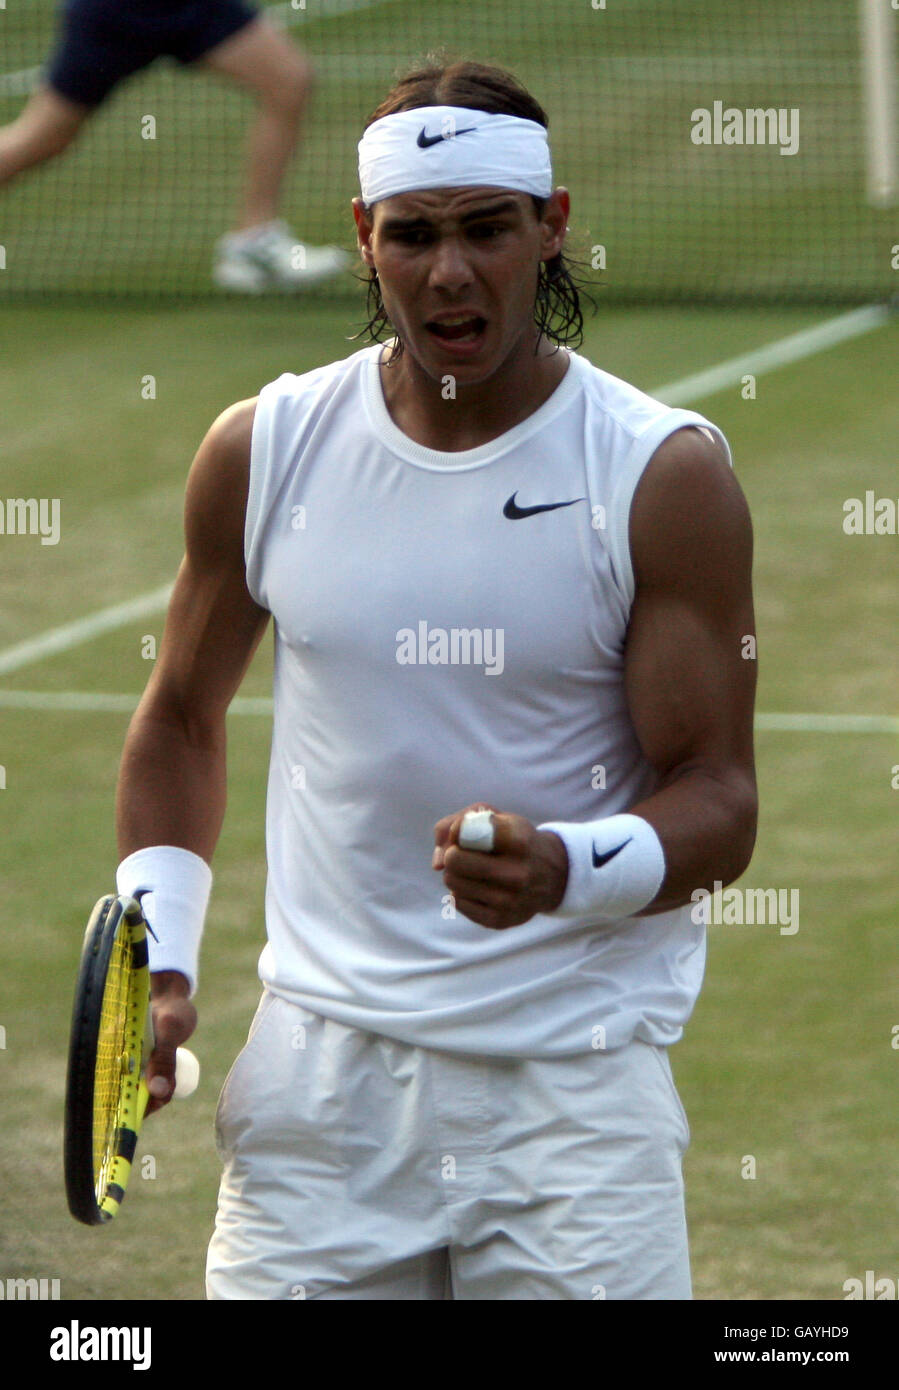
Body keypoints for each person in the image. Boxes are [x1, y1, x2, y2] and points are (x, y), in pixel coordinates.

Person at [113, 58, 758, 1299]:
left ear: (551, 226)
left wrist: (565, 866)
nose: (448, 272)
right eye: (411, 235)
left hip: (571, 1102)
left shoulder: (661, 477)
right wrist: (167, 958)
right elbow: (179, 720)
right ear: (363, 239)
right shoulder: (264, 450)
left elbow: (718, 802)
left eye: (485, 231)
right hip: (318, 1095)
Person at [0, 0, 348, 289]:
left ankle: (252, 241)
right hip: (116, 12)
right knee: (43, 139)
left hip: (191, 6)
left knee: (288, 79)